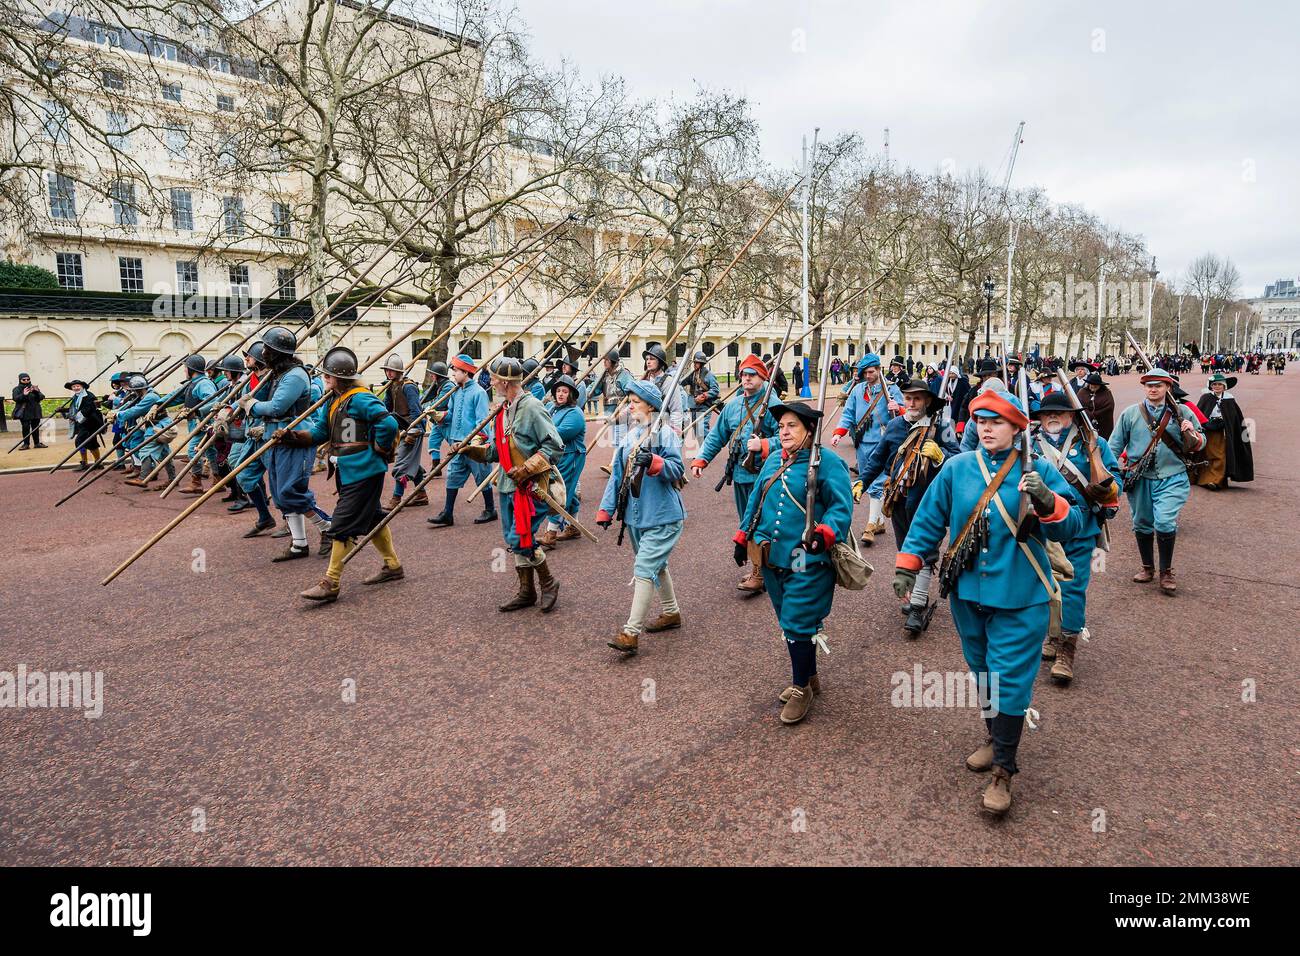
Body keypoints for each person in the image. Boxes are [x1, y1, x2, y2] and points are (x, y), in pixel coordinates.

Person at [896, 390, 1083, 815]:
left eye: (996, 422)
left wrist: (1048, 501)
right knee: (982, 674)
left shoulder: (1037, 469)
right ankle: (992, 736)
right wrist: (907, 566)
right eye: (980, 421)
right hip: (967, 593)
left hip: (1021, 594)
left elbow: (1071, 526)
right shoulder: (957, 468)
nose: (986, 428)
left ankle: (1003, 769)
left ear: (1018, 428)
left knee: (1011, 681)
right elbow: (928, 519)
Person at [734, 399, 853, 725]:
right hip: (773, 558)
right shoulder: (773, 459)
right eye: (782, 426)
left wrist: (826, 532)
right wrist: (742, 536)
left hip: (808, 560)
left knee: (797, 622)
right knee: (791, 622)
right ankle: (810, 675)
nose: (784, 432)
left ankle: (801, 687)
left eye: (792, 426)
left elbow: (841, 507)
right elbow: (755, 501)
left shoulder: (827, 463)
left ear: (809, 430)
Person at [276, 346, 403, 603]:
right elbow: (320, 432)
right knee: (372, 518)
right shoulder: (335, 401)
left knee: (342, 524)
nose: (325, 379)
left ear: (338, 378)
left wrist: (380, 447)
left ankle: (331, 581)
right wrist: (293, 437)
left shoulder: (360, 398)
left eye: (327, 376)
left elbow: (388, 423)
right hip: (347, 472)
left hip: (364, 472)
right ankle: (393, 566)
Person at [856, 377, 961, 636]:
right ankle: (916, 594)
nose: (912, 402)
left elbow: (959, 459)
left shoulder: (941, 427)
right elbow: (878, 459)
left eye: (917, 398)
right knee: (906, 550)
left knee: (925, 552)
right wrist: (861, 481)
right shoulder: (894, 425)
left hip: (931, 500)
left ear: (927, 402)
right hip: (899, 499)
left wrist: (940, 455)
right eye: (908, 398)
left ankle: (917, 606)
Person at [1031, 391, 1121, 683]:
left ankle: (1066, 651)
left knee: (1071, 588)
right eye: (1047, 414)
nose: (1053, 417)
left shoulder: (1093, 443)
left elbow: (1115, 480)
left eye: (1060, 413)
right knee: (1044, 586)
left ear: (1072, 417)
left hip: (1081, 525)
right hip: (1041, 527)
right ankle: (1053, 635)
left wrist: (1106, 489)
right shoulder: (1028, 445)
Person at [461, 356, 564, 612]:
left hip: (531, 487)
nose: (491, 382)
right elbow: (497, 450)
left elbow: (555, 446)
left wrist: (527, 467)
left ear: (505, 382)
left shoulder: (532, 407)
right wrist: (469, 450)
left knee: (521, 539)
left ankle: (549, 582)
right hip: (509, 485)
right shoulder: (504, 409)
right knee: (514, 538)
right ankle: (527, 591)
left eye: (494, 378)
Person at [596, 379, 687, 655]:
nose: (630, 405)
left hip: (663, 516)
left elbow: (677, 470)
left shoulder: (665, 435)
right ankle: (671, 612)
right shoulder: (630, 437)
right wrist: (606, 509)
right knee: (656, 566)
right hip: (635, 518)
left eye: (635, 401)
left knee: (644, 569)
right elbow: (616, 478)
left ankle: (630, 632)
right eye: (630, 400)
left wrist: (655, 462)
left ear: (650, 405)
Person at [232, 326, 328, 560]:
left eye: (266, 349)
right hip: (274, 439)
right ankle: (299, 544)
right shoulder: (277, 374)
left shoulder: (295, 375)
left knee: (290, 492)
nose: (263, 352)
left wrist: (250, 405)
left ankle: (328, 527)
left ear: (275, 352)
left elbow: (277, 407)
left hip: (294, 438)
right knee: (279, 494)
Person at [1108, 368, 1205, 595]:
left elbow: (1201, 443)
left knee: (1164, 522)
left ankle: (1166, 571)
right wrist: (1110, 474)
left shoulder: (1182, 412)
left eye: (1158, 385)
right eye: (1149, 385)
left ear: (1168, 388)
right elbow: (1113, 446)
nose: (1153, 389)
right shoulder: (1131, 413)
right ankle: (1147, 567)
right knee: (1141, 522)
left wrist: (1192, 432)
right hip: (1139, 477)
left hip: (1172, 476)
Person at [690, 354, 777, 594]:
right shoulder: (734, 405)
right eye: (744, 375)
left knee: (759, 521)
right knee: (746, 519)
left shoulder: (774, 404)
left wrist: (765, 445)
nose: (746, 379)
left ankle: (760, 571)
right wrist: (702, 459)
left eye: (752, 375)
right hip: (740, 472)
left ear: (762, 377)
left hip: (765, 475)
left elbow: (791, 439)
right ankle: (764, 564)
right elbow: (717, 435)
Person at [831, 353, 903, 546]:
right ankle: (879, 521)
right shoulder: (857, 391)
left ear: (879, 370)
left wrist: (898, 407)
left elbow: (906, 412)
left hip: (883, 442)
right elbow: (848, 414)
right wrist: (839, 432)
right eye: (865, 372)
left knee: (878, 483)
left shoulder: (892, 389)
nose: (868, 375)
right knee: (867, 480)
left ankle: (870, 525)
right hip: (863, 441)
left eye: (871, 372)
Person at [426, 353, 496, 527]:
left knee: (482, 477)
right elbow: (450, 416)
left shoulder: (479, 392)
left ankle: (490, 509)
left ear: (465, 372)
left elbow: (482, 422)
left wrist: (474, 443)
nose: (453, 374)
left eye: (455, 370)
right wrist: (438, 415)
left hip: (473, 445)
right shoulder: (455, 392)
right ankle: (447, 513)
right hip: (456, 444)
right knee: (453, 477)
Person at [539, 374, 587, 548]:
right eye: (558, 390)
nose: (560, 394)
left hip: (571, 455)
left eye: (564, 391)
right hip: (558, 456)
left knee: (560, 492)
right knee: (571, 493)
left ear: (571, 394)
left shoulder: (575, 413)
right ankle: (573, 527)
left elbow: (557, 434)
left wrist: (539, 432)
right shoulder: (552, 408)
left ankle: (551, 533)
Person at [379, 353, 428, 512]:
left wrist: (413, 432)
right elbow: (387, 408)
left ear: (398, 370)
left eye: (391, 370)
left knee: (401, 463)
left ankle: (396, 497)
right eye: (387, 370)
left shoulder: (409, 387)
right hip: (401, 427)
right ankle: (421, 494)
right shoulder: (391, 386)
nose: (389, 373)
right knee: (411, 462)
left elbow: (416, 411)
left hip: (413, 428)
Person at [1194, 372, 1253, 490]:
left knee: (1219, 454)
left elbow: (1235, 418)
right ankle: (1204, 478)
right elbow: (1199, 413)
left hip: (1222, 433)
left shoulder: (1229, 400)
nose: (1217, 386)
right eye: (1214, 384)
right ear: (1210, 386)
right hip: (1207, 430)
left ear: (1224, 386)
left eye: (1219, 384)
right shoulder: (1206, 397)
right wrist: (1205, 423)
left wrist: (1226, 423)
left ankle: (1215, 480)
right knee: (1205, 454)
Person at [117, 375, 176, 489]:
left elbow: (136, 410)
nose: (133, 393)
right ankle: (173, 479)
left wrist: (119, 415)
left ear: (139, 389)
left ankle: (143, 478)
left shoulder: (150, 397)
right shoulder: (143, 395)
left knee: (145, 450)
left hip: (158, 425)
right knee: (164, 453)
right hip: (155, 425)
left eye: (134, 390)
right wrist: (116, 412)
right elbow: (128, 406)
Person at [60, 379, 104, 470]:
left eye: (77, 386)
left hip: (91, 423)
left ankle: (86, 463)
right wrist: (63, 410)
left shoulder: (89, 396)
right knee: (91, 443)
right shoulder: (76, 397)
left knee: (80, 441)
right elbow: (75, 409)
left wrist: (74, 417)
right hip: (83, 423)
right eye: (74, 387)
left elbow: (87, 410)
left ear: (82, 387)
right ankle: (98, 462)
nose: (76, 388)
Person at [682, 350, 719, 444]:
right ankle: (701, 449)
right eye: (694, 362)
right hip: (694, 405)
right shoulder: (692, 374)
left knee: (702, 428)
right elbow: (682, 382)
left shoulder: (709, 375)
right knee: (696, 429)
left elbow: (715, 390)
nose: (695, 364)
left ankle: (706, 451)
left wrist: (704, 396)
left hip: (704, 405)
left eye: (697, 362)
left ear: (702, 363)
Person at [12, 373, 47, 449]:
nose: (26, 381)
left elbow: (41, 397)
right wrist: (24, 394)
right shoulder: (16, 389)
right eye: (24, 379)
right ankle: (26, 444)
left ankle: (37, 443)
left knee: (35, 428)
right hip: (25, 412)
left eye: (28, 379)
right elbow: (16, 399)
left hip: (35, 411)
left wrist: (36, 392)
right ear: (20, 380)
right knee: (25, 428)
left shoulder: (33, 387)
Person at [1079, 372, 1115, 439]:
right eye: (1091, 384)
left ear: (1100, 385)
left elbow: (1109, 408)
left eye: (1095, 385)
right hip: (1085, 424)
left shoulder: (1106, 393)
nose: (1092, 386)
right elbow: (1078, 405)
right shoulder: (1082, 392)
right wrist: (1087, 414)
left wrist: (1092, 415)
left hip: (1102, 426)